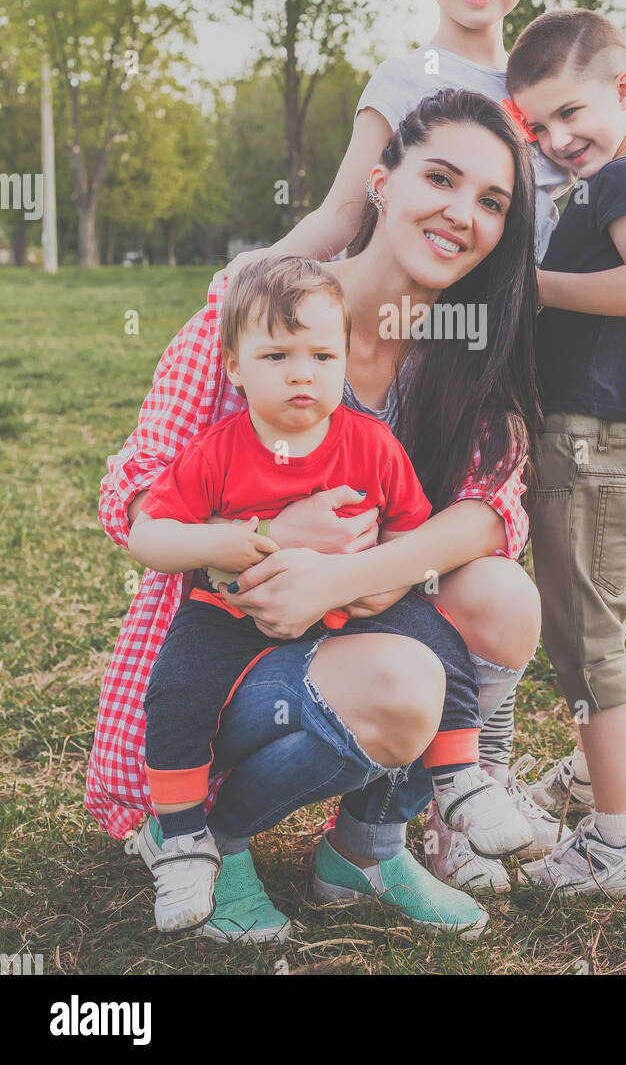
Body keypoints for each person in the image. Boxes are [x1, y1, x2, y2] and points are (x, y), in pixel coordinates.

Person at [221, 0, 626, 885]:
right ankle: (404, 794)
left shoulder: (543, 75)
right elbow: (347, 208)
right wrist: (258, 274)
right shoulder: (408, 79)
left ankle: (469, 786)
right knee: (410, 558)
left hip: (514, 373)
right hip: (423, 356)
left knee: (500, 583)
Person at [88, 88, 543, 940]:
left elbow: (494, 508)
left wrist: (350, 573)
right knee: (404, 685)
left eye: (491, 202)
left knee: (503, 599)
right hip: (225, 635)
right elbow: (137, 490)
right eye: (439, 178)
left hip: (348, 616)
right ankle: (201, 841)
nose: (461, 214)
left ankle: (365, 851)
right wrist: (258, 545)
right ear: (381, 181)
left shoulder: (468, 343)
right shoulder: (259, 301)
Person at [503, 8, 626, 898]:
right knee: (592, 628)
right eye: (539, 126)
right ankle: (588, 782)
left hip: (587, 442)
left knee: (585, 646)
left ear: (624, 91)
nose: (557, 138)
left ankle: (620, 845)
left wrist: (529, 288)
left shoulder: (622, 178)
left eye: (571, 114)